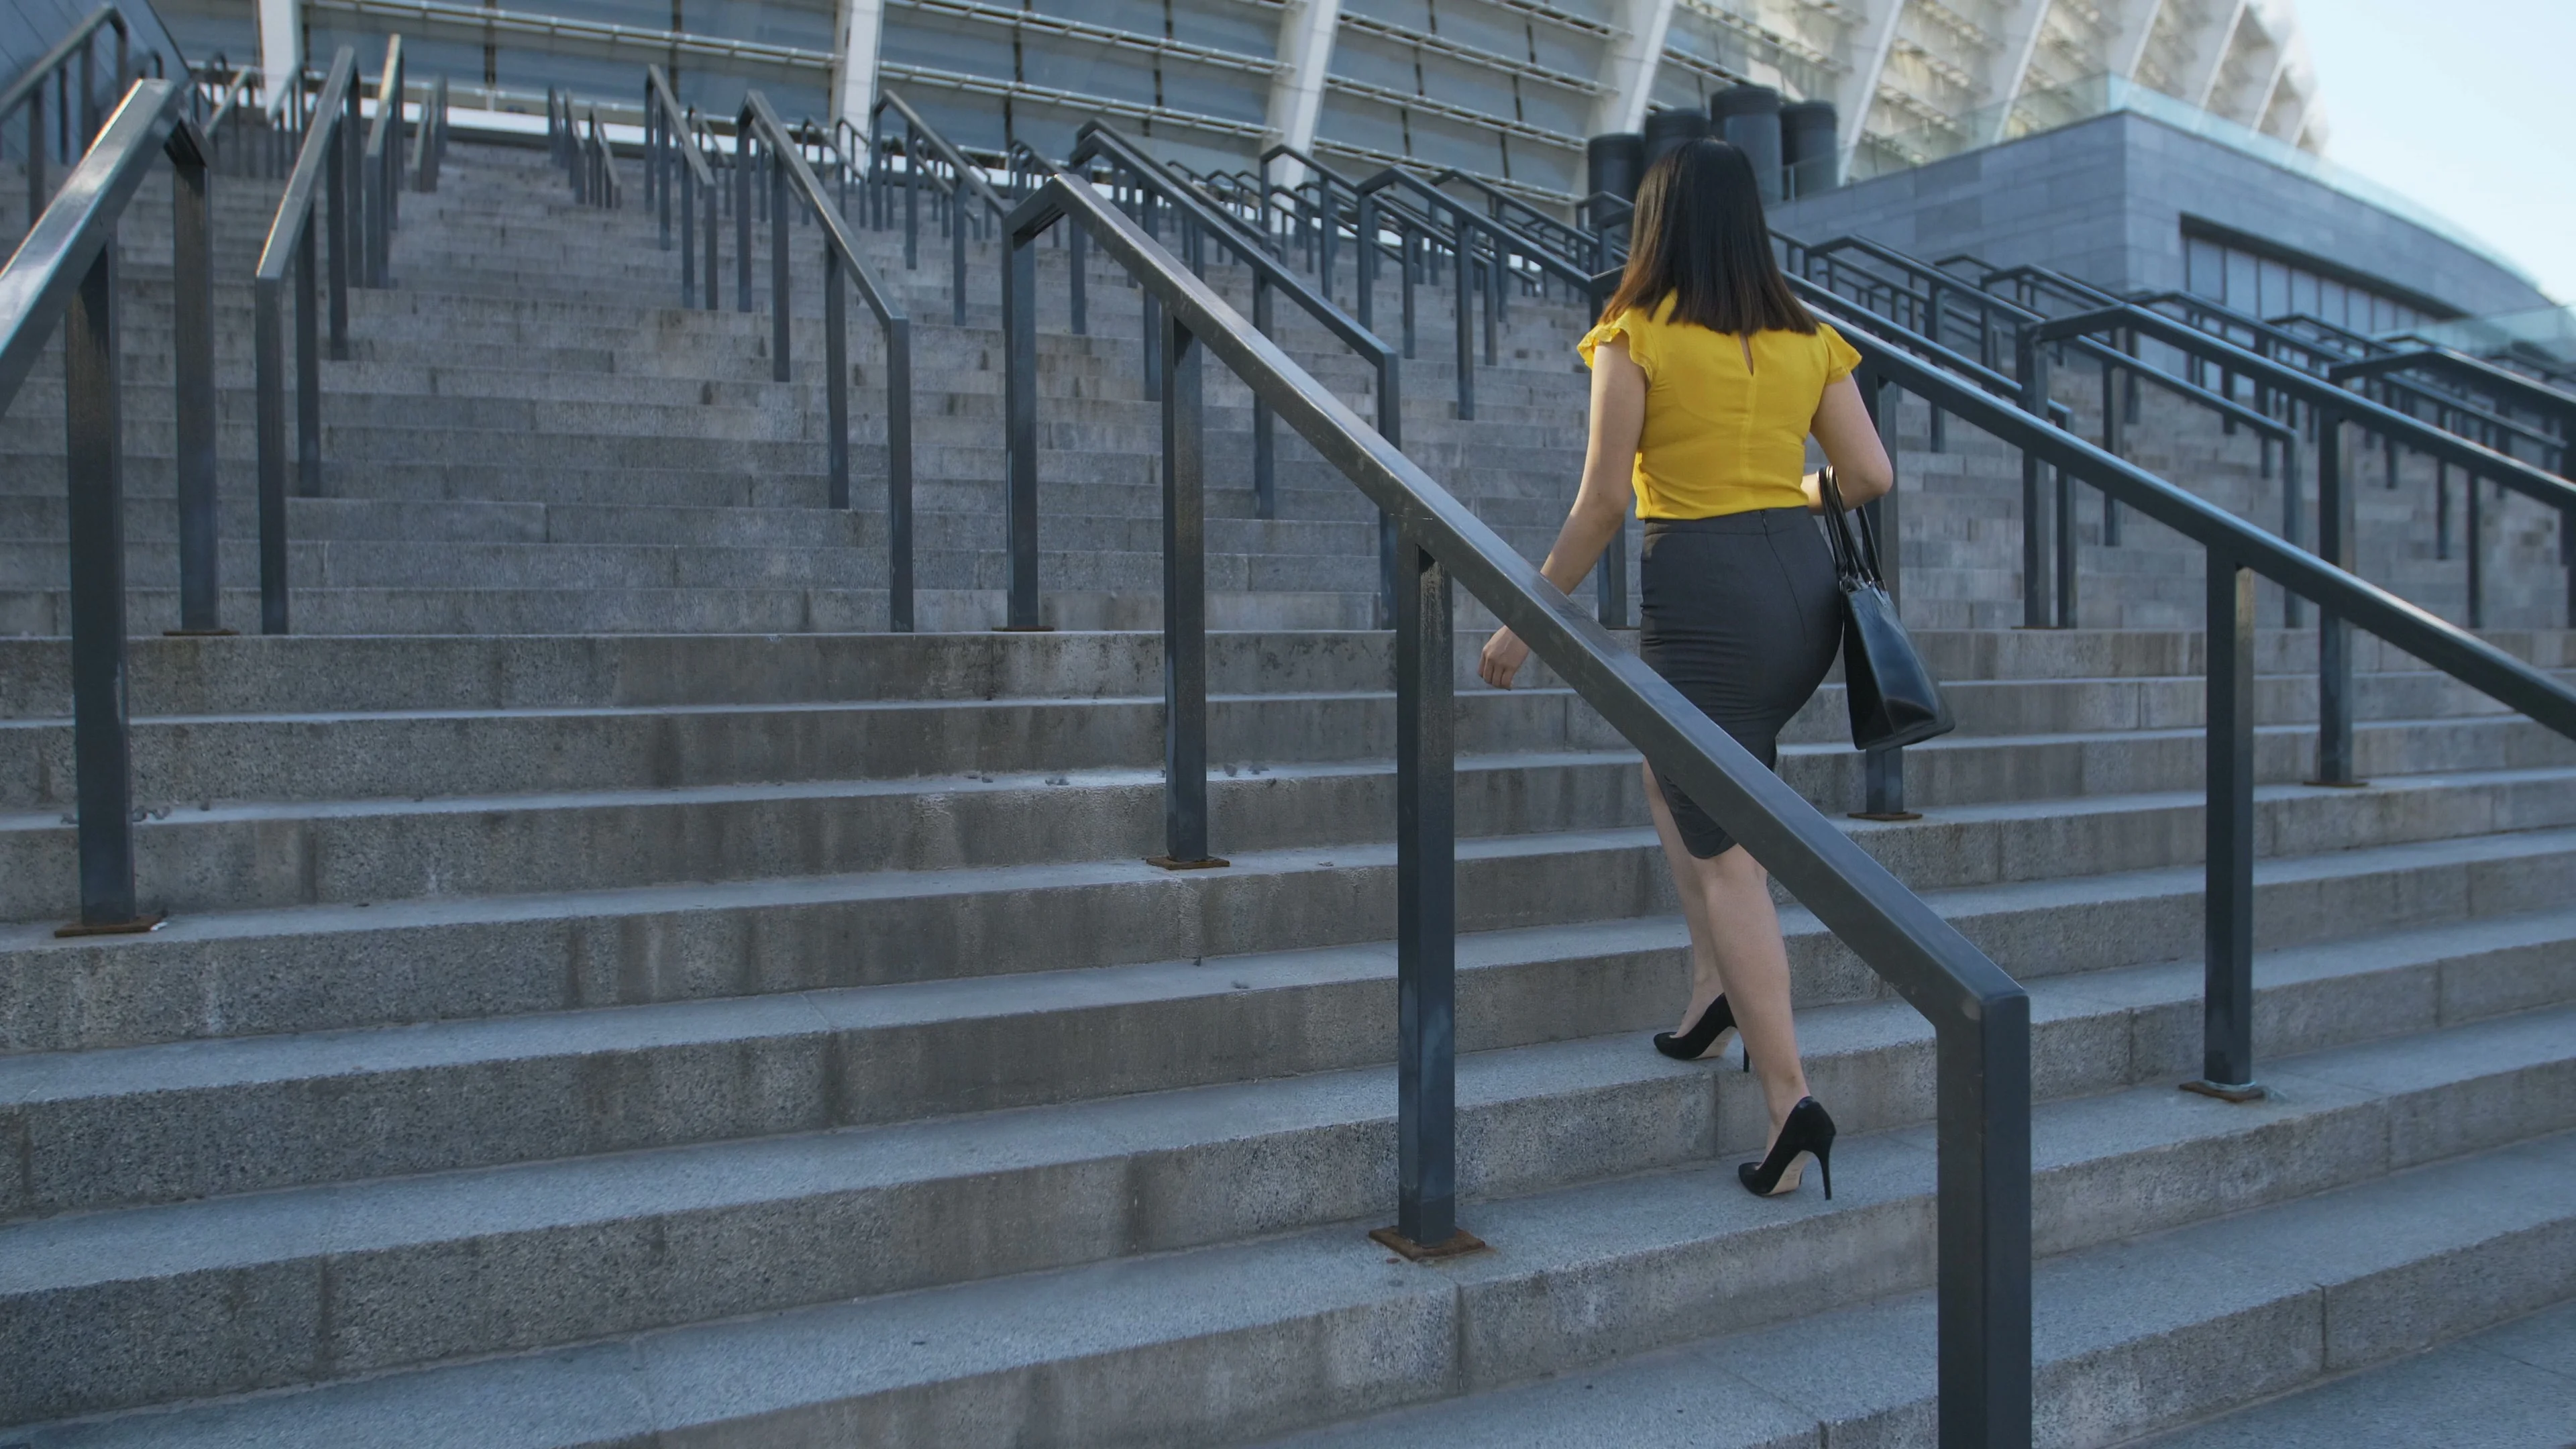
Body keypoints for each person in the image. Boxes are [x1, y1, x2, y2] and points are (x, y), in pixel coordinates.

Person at [1476, 138, 1894, 1200]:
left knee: (1727, 857)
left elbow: (1604, 501)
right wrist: (1786, 495)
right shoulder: (1810, 339)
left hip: (1705, 605)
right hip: (1799, 605)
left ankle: (1790, 1100)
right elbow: (1867, 474)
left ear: (1656, 224)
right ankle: (1713, 997)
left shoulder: (1635, 335)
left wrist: (1525, 620)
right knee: (1673, 780)